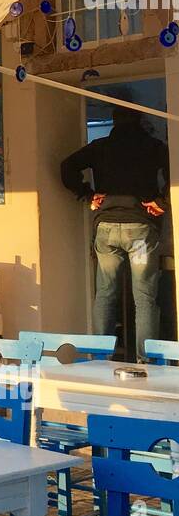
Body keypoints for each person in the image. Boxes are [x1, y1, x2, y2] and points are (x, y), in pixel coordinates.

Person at [61, 105, 170, 360]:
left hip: (107, 228)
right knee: (144, 299)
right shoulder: (154, 147)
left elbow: (67, 166)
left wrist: (87, 193)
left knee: (105, 295)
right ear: (140, 119)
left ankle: (100, 359)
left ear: (114, 121)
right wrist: (162, 201)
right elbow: (174, 172)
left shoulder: (100, 147)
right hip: (140, 229)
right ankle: (147, 362)